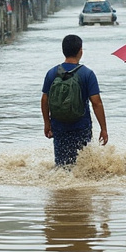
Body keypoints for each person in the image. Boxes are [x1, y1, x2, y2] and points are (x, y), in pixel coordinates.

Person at [41, 34, 108, 166]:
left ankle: (61, 186)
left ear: (63, 51)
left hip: (59, 126)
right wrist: (103, 128)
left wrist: (47, 123)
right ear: (80, 51)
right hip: (81, 126)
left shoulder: (52, 73)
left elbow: (44, 100)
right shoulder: (87, 74)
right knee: (83, 165)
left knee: (62, 165)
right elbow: (96, 103)